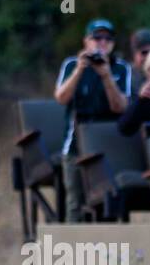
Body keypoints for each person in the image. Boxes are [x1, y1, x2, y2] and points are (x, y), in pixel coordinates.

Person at [54, 18, 132, 221]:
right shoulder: (71, 64)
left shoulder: (121, 69)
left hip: (110, 146)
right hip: (75, 146)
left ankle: (110, 249)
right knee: (75, 203)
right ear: (86, 42)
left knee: (110, 201)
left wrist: (106, 76)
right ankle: (73, 250)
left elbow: (121, 107)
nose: (102, 43)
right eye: (96, 38)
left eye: (107, 39)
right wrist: (80, 70)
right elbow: (61, 98)